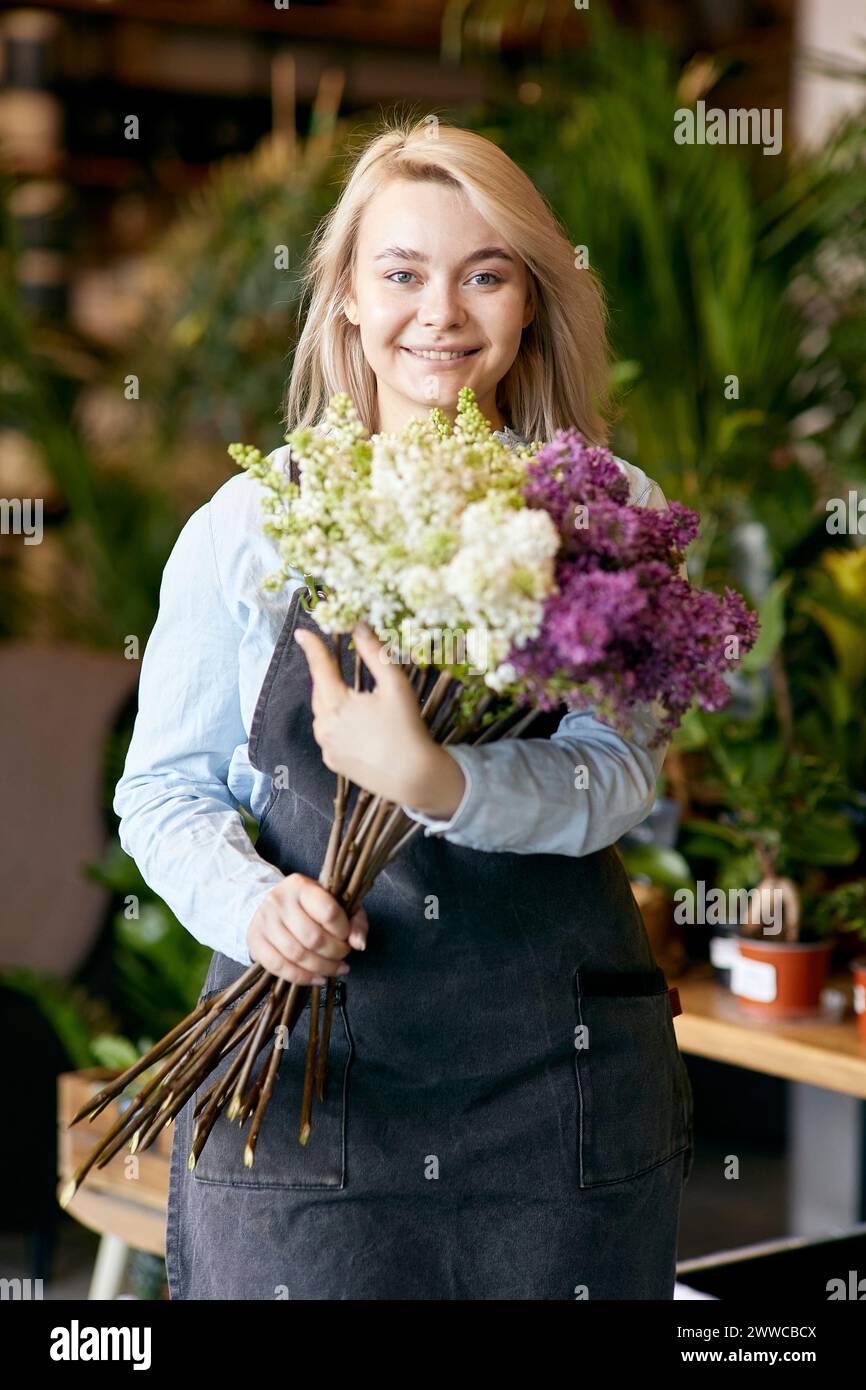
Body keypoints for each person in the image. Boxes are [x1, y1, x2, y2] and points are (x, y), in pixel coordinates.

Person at [115, 115, 694, 1301]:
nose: (440, 312)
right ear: (343, 303)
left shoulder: (605, 508)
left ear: (529, 301)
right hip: (304, 1077)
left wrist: (443, 785)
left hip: (550, 1087)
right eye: (401, 273)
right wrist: (252, 905)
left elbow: (617, 771)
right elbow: (162, 787)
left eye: (483, 274)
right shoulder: (251, 524)